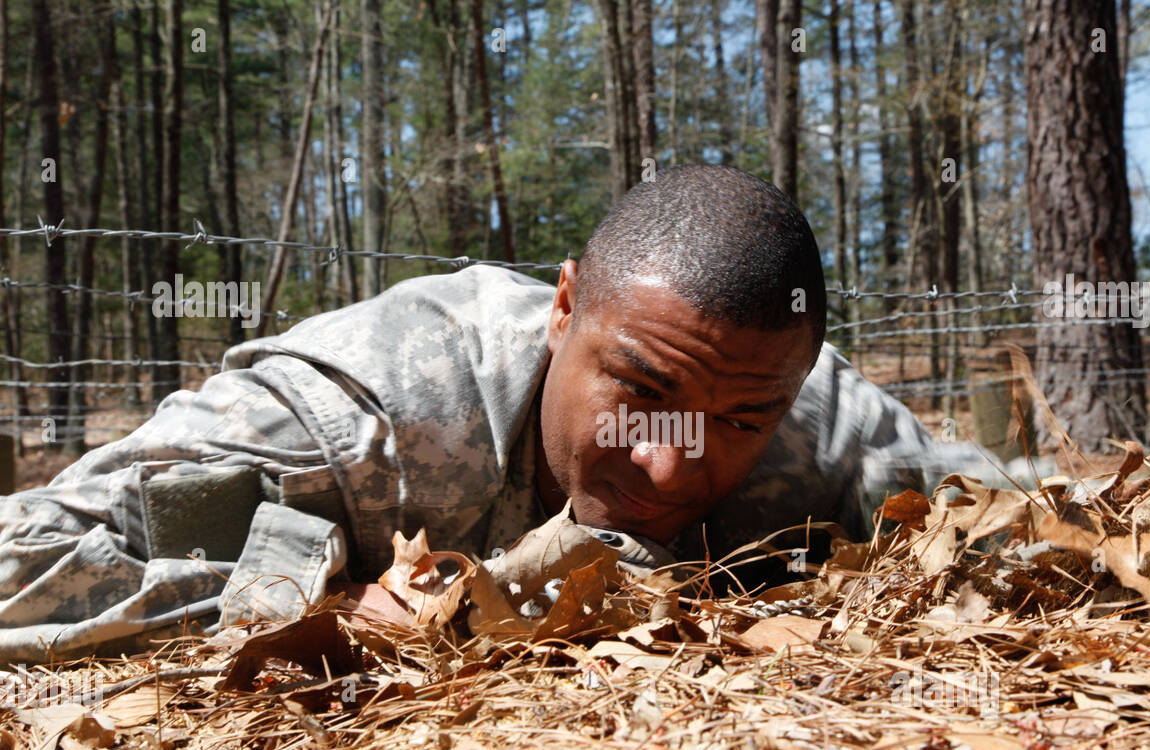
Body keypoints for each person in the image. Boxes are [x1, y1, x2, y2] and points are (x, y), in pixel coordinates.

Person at [0, 165, 1028, 664]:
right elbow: (19, 557)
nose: (675, 467)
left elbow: (1033, 510)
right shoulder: (359, 411)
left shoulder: (816, 414)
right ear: (565, 306)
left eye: (742, 421)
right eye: (643, 395)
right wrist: (319, 606)